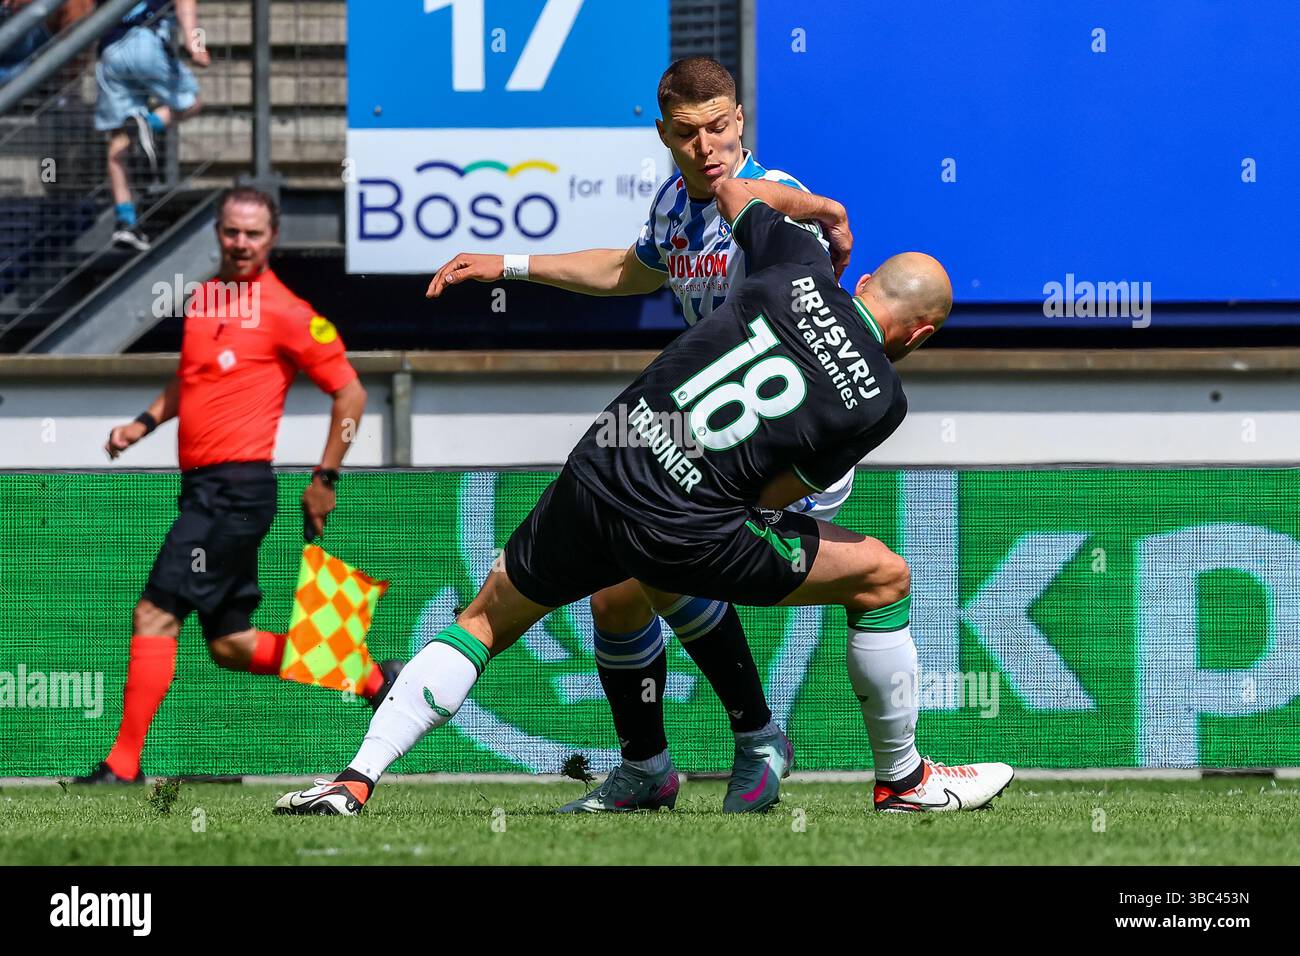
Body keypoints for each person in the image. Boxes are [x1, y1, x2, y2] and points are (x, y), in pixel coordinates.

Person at [277, 178, 1014, 816]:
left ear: (862, 284)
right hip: (690, 522)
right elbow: (776, 495)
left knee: (484, 622)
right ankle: (902, 780)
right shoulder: (881, 401)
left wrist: (822, 207)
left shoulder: (800, 263)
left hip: (608, 462)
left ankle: (354, 780)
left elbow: (734, 194)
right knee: (885, 577)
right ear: (919, 333)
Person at [427, 56, 859, 814]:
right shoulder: (674, 204)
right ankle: (649, 769)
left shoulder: (775, 213)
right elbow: (632, 270)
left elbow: (812, 327)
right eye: (688, 133)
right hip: (719, 441)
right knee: (616, 600)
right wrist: (510, 263)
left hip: (786, 449)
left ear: (740, 123)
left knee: (651, 561)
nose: (707, 146)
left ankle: (761, 736)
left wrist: (815, 206)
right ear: (664, 133)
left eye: (720, 127)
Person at [75, 187, 400, 784]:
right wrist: (142, 424)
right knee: (231, 645)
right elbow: (189, 381)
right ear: (218, 235)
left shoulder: (288, 310)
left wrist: (325, 476)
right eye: (231, 232)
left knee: (155, 612)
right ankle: (376, 678)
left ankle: (123, 767)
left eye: (253, 234)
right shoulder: (205, 299)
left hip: (235, 492)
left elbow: (350, 392)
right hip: (204, 489)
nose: (241, 243)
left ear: (272, 239)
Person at [94, 0, 208, 251]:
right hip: (145, 40)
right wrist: (196, 43)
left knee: (118, 139)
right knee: (192, 102)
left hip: (109, 49)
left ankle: (126, 222)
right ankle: (148, 124)